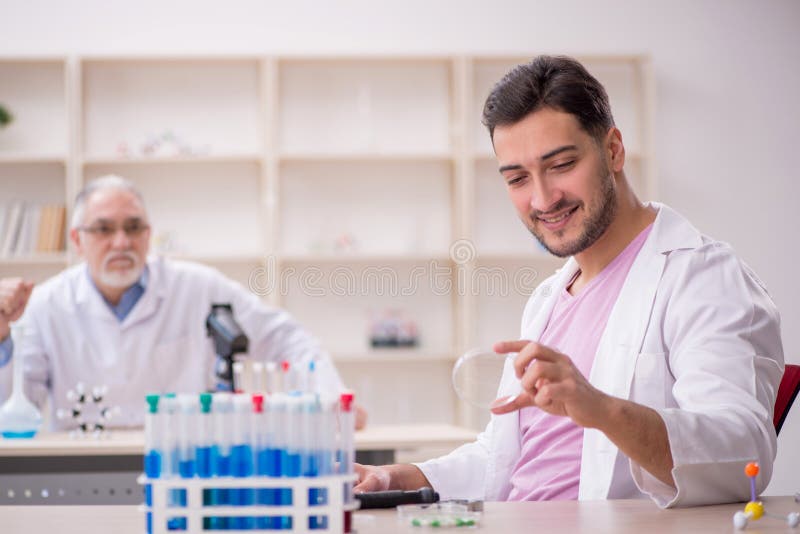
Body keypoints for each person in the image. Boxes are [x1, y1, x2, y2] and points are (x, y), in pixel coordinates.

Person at [354, 55, 783, 508]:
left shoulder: (702, 277)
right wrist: (404, 475)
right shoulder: (548, 299)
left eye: (560, 164)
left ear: (613, 150)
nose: (542, 198)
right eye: (518, 178)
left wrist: (599, 408)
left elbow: (743, 459)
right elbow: (511, 458)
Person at [0, 175, 366, 430]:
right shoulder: (46, 304)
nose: (121, 242)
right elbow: (13, 408)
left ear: (149, 234)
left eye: (133, 228)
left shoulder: (198, 287)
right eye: (104, 229)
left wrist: (332, 400)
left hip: (183, 460)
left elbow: (286, 338)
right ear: (77, 240)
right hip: (82, 468)